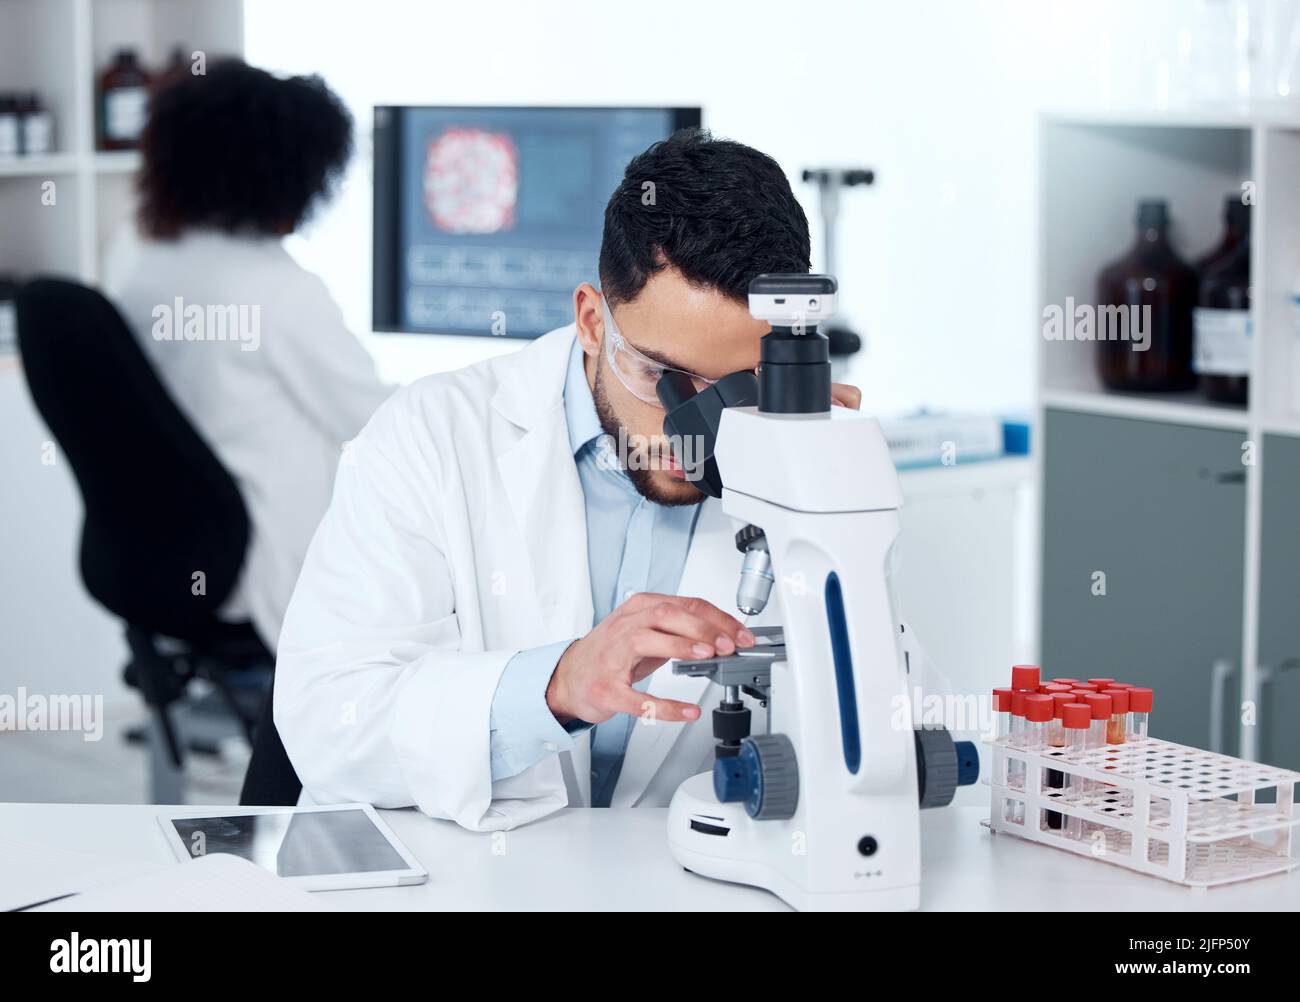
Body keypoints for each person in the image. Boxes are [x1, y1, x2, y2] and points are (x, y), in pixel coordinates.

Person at [276, 128, 927, 830]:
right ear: (592, 320)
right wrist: (555, 686)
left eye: (739, 385)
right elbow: (329, 722)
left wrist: (834, 504)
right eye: (663, 378)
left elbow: (893, 721)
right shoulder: (432, 435)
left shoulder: (799, 460)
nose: (694, 430)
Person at [106, 61, 390, 651]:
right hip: (266, 569)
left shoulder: (140, 264)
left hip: (165, 553)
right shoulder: (277, 289)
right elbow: (378, 425)